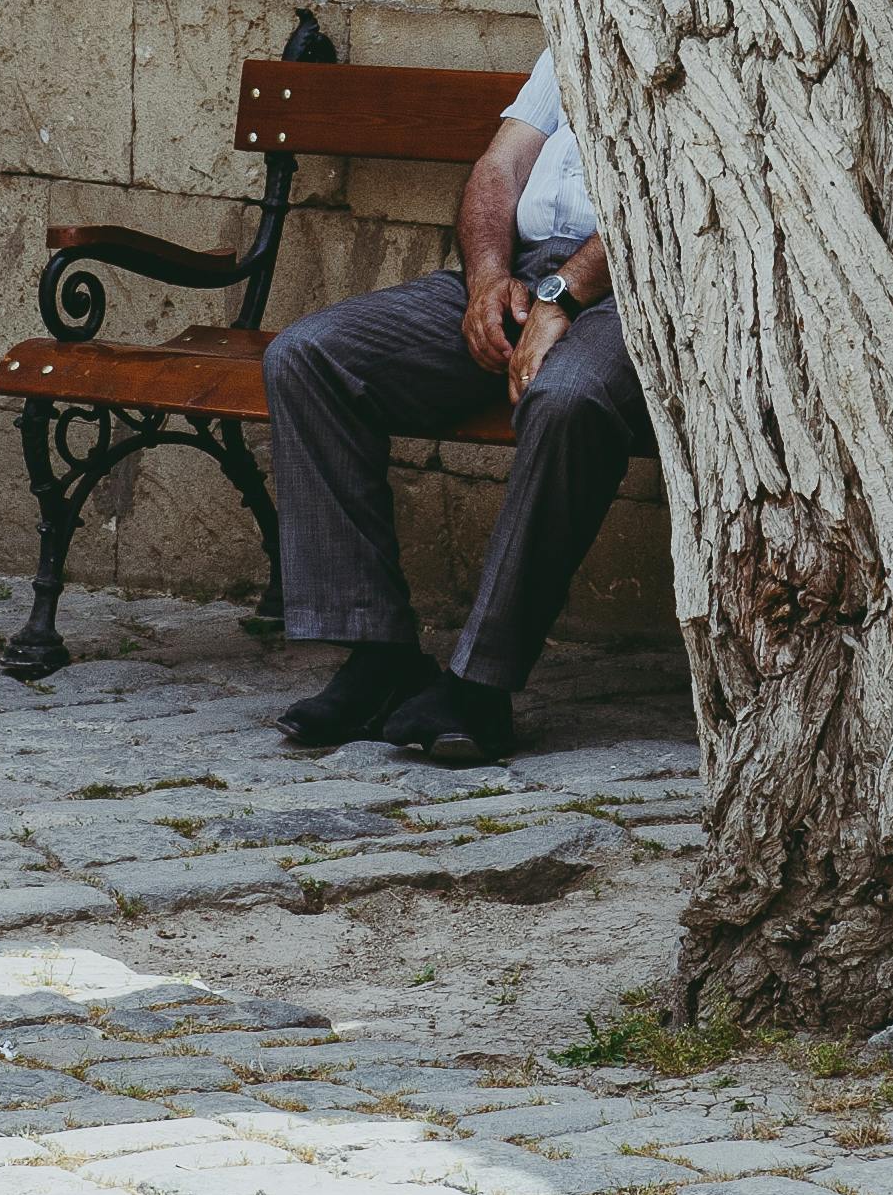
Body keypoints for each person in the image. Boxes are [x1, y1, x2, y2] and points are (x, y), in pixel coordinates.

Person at [263, 49, 647, 765]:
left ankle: (480, 688)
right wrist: (489, 281)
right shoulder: (573, 27)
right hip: (524, 271)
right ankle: (380, 657)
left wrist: (563, 297)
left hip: (636, 291)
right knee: (310, 356)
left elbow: (675, 198)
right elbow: (499, 169)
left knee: (567, 399)